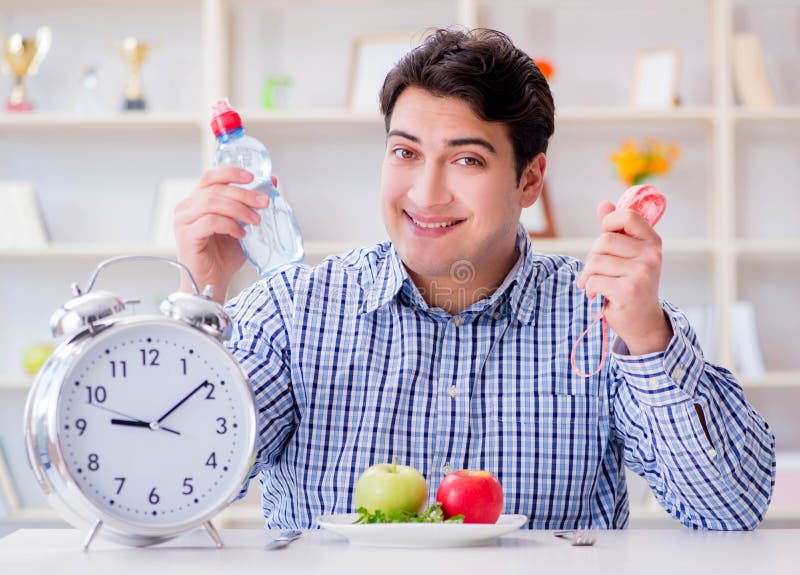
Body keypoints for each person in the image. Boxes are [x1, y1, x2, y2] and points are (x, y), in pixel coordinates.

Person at [174, 28, 775, 530]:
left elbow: (730, 508)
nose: (426, 193)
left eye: (467, 160)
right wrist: (198, 301)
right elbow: (177, 488)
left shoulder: (602, 317)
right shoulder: (291, 312)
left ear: (530, 181)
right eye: (405, 153)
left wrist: (645, 338)